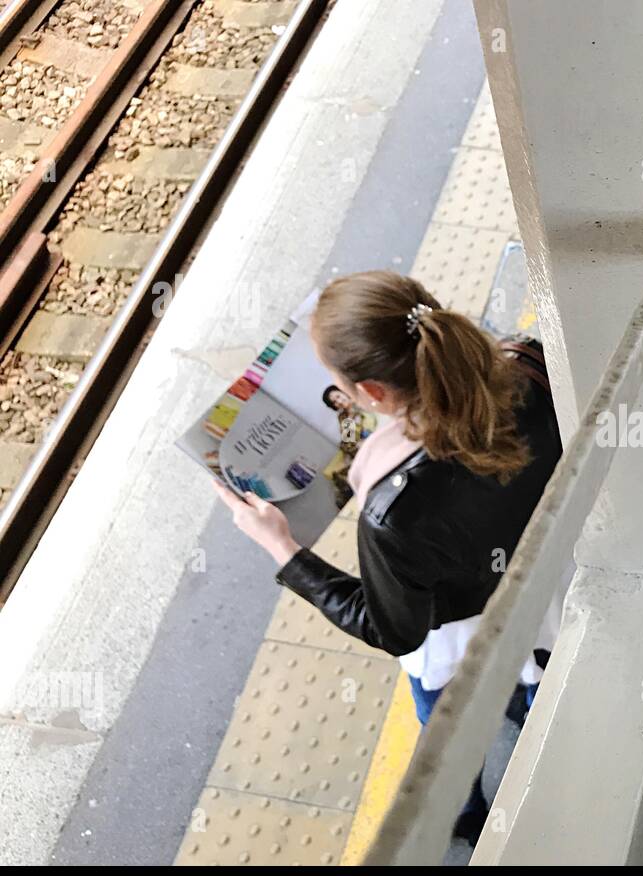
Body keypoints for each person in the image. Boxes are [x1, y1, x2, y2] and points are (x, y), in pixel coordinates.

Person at [215, 270, 564, 844]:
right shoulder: (529, 364)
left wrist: (282, 545)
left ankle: (464, 809)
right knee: (533, 685)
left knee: (450, 736)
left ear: (373, 395)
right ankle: (529, 714)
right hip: (545, 595)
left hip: (457, 645)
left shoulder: (393, 512)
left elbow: (392, 629)